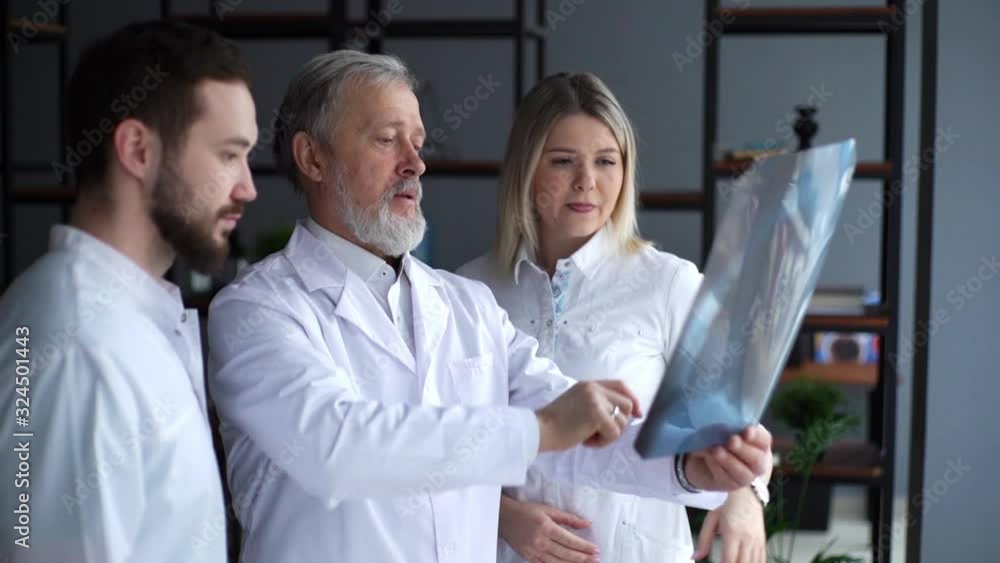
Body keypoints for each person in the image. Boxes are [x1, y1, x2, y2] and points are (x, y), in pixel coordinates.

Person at [205, 50, 772, 563]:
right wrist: (542, 429)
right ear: (313, 157)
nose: (415, 164)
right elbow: (337, 446)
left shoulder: (463, 303)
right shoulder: (256, 311)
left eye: (418, 143)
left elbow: (577, 425)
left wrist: (687, 465)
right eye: (386, 140)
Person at [458, 72, 771, 563]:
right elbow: (445, 443)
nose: (587, 181)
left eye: (606, 161)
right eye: (563, 161)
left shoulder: (669, 283)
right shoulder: (468, 291)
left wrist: (745, 497)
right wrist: (504, 517)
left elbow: (731, 419)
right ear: (525, 169)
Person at [0, 21, 258, 563]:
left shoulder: (112, 323)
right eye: (228, 155)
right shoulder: (81, 352)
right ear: (138, 150)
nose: (248, 188)